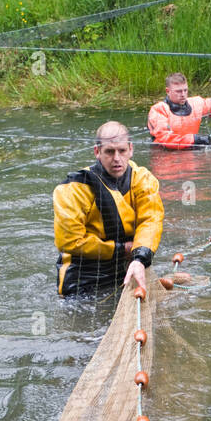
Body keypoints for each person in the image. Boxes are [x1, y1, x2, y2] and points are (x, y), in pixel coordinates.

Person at [53, 121, 164, 296]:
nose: (117, 159)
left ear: (131, 150)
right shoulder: (74, 188)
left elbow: (151, 221)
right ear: (97, 152)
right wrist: (122, 249)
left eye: (122, 151)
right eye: (109, 152)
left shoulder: (143, 179)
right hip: (84, 279)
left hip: (129, 267)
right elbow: (68, 241)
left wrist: (140, 257)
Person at [147, 73, 211, 148]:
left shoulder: (196, 103)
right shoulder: (158, 110)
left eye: (185, 90)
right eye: (179, 91)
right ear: (168, 91)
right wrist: (194, 139)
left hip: (191, 149)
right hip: (165, 154)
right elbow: (164, 138)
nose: (183, 94)